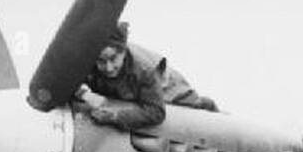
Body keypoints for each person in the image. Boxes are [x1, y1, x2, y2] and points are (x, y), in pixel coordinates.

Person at [75, 22, 218, 131]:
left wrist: (115, 117)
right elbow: (63, 82)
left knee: (193, 107)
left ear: (124, 52)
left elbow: (156, 112)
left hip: (166, 87)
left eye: (113, 59)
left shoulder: (144, 71)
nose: (108, 68)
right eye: (101, 61)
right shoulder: (87, 61)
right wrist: (84, 94)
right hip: (124, 91)